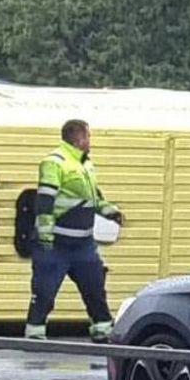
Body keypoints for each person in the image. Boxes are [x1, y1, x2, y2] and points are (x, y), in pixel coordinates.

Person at [25, 119, 122, 342]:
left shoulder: (85, 164)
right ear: (79, 138)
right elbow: (45, 200)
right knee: (45, 292)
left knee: (95, 289)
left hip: (83, 245)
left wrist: (111, 212)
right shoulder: (55, 162)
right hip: (56, 244)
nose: (90, 141)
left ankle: (103, 329)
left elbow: (93, 197)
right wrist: (46, 235)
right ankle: (35, 332)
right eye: (88, 136)